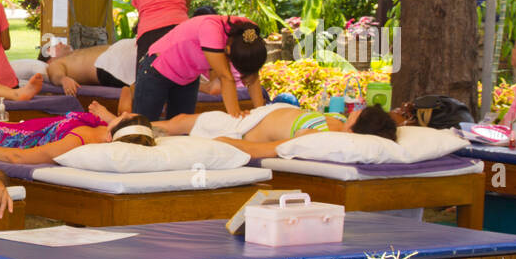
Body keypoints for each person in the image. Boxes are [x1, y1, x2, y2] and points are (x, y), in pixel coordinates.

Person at [132, 14, 267, 120]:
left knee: (181, 132)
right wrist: (236, 116)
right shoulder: (211, 30)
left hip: (188, 77)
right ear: (228, 50)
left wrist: (261, 114)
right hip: (158, 68)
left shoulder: (249, 33)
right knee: (144, 126)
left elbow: (253, 75)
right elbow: (226, 77)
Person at [152, 100, 399, 158]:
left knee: (178, 123)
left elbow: (270, 150)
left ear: (357, 128)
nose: (357, 108)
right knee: (179, 121)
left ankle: (123, 125)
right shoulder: (338, 122)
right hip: (256, 116)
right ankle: (123, 122)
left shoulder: (322, 138)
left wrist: (227, 142)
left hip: (241, 129)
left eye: (361, 112)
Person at [0, 100, 155, 165]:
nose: (124, 112)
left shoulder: (80, 139)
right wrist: (110, 118)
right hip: (37, 125)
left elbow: (21, 157)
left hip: (21, 138)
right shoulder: (105, 128)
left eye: (124, 116)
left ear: (111, 136)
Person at [45, 39, 137, 112]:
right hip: (110, 65)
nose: (60, 43)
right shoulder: (57, 63)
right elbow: (54, 72)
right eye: (54, 47)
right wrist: (63, 80)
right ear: (50, 60)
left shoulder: (75, 53)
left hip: (122, 52)